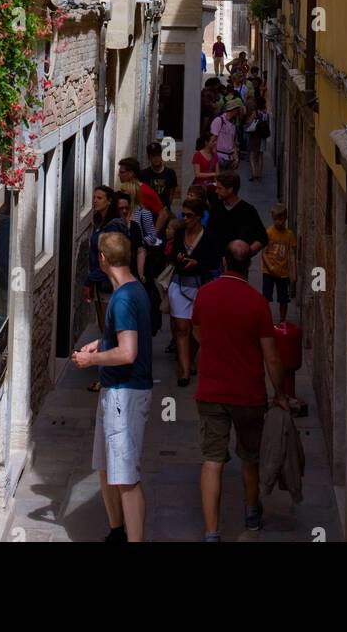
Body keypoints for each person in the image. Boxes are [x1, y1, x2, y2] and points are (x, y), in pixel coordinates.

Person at [192, 241, 289, 540]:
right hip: (248, 394)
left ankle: (211, 532)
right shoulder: (258, 303)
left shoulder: (204, 295)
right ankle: (251, 517)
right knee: (250, 457)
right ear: (250, 265)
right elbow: (272, 356)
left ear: (223, 262)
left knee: (212, 460)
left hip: (210, 390)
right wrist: (281, 394)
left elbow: (197, 333)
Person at [72, 231, 153, 543]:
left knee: (126, 477)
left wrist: (92, 362)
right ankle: (116, 531)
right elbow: (122, 337)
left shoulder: (122, 300)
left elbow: (128, 351)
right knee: (106, 467)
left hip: (125, 394)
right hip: (116, 392)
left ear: (103, 259)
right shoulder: (133, 288)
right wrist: (98, 343)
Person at [167, 197, 221, 386]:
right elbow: (172, 255)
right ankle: (184, 371)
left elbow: (214, 261)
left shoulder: (209, 236)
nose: (185, 218)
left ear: (199, 217)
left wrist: (198, 263)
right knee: (182, 328)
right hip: (179, 283)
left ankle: (189, 359)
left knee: (196, 328)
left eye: (189, 215)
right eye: (183, 215)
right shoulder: (180, 233)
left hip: (200, 286)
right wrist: (178, 256)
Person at [83, 186, 126, 391]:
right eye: (94, 197)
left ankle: (108, 376)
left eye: (99, 197)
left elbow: (111, 260)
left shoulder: (113, 226)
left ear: (109, 201)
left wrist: (89, 280)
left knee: (110, 331)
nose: (95, 200)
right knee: (105, 329)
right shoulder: (101, 223)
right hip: (102, 284)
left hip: (109, 285)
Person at [207, 171, 268, 257]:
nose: (216, 191)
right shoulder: (216, 208)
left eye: (220, 188)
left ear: (230, 190)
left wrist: (247, 253)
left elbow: (262, 238)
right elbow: (209, 234)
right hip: (217, 263)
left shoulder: (248, 211)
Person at [262, 203, 297, 323]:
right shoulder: (269, 232)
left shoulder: (289, 235)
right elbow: (264, 253)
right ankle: (265, 320)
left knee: (283, 299)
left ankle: (282, 321)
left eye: (281, 219)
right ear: (273, 218)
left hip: (283, 273)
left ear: (285, 218)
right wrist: (270, 267)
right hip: (269, 272)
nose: (279, 222)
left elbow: (292, 255)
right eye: (276, 219)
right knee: (266, 297)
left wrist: (294, 272)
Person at [141, 140, 178, 228]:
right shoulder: (143, 174)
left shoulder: (170, 173)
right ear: (149, 157)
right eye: (153, 156)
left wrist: (166, 207)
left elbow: (172, 192)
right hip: (149, 214)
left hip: (165, 212)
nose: (156, 158)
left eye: (158, 155)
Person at [114, 190, 147, 281]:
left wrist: (140, 275)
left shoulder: (134, 226)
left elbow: (140, 250)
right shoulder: (111, 227)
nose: (124, 211)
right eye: (121, 208)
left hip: (131, 273)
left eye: (126, 208)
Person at [117, 157, 163, 221]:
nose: (118, 175)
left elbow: (163, 214)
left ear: (131, 173)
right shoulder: (123, 189)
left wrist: (153, 230)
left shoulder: (145, 190)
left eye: (122, 172)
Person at [243, 95, 269, 183]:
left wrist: (247, 123)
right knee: (260, 155)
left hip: (255, 136)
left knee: (252, 155)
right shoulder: (266, 113)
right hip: (263, 137)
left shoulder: (255, 113)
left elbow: (249, 122)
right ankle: (260, 174)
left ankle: (254, 174)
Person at [210, 99, 242, 169]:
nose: (238, 112)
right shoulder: (218, 121)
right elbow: (213, 140)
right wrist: (214, 158)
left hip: (230, 159)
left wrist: (236, 158)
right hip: (219, 157)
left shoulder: (233, 124)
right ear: (233, 110)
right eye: (237, 110)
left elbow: (233, 143)